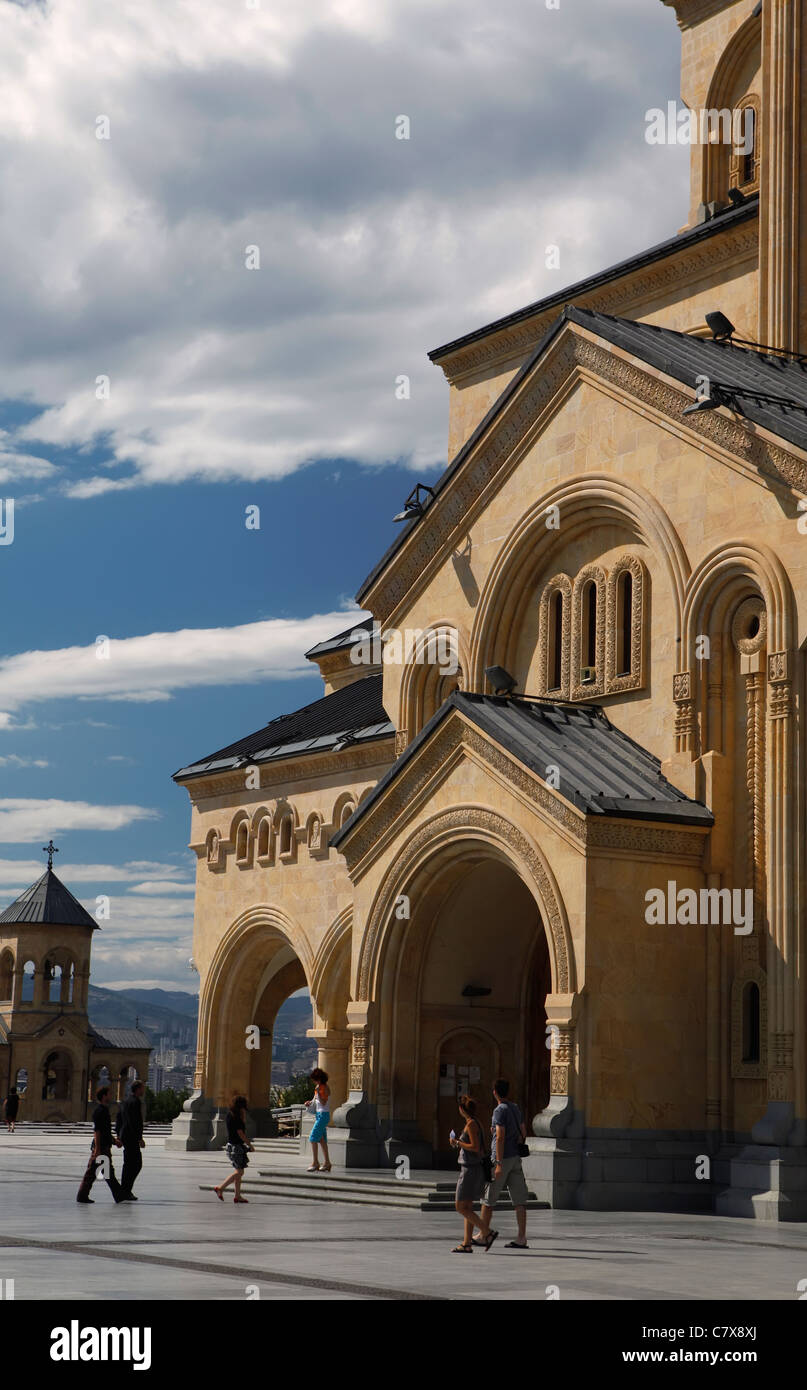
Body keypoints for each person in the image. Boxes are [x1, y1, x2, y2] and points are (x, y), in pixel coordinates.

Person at [475, 1078, 529, 1251]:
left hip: (502, 1158)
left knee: (488, 1199)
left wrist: (497, 1162)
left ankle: (483, 1235)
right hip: (515, 1158)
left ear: (495, 1092)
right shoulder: (515, 1108)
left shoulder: (499, 1110)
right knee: (519, 1200)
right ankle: (521, 1238)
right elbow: (523, 1132)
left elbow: (500, 1135)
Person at [449, 1095, 487, 1253]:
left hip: (470, 1170)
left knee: (460, 1206)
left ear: (461, 1109)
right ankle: (466, 1243)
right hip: (474, 1168)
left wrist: (457, 1142)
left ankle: (487, 1232)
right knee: (468, 1206)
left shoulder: (471, 1124)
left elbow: (475, 1147)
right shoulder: (477, 1123)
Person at [76, 1086, 124, 1204]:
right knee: (95, 1172)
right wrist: (97, 1149)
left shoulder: (104, 1110)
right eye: (109, 1094)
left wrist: (114, 1141)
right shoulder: (100, 1111)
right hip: (101, 1148)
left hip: (104, 1147)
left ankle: (119, 1195)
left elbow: (105, 1131)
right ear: (104, 1096)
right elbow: (97, 1131)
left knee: (104, 1173)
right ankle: (82, 1196)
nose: (111, 1096)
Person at [213, 1095, 253, 1204]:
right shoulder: (237, 1117)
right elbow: (241, 1133)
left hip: (231, 1145)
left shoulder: (230, 1115)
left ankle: (237, 1196)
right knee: (239, 1172)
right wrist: (250, 1145)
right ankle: (221, 1187)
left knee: (238, 1172)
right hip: (237, 1147)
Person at [116, 1079, 146, 1200]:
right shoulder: (135, 1102)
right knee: (136, 1164)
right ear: (138, 1089)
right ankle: (126, 1190)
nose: (144, 1090)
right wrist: (140, 1138)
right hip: (132, 1137)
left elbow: (119, 1118)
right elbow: (136, 1121)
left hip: (125, 1136)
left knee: (128, 1164)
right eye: (142, 1088)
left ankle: (125, 1189)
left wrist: (119, 1134)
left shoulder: (125, 1101)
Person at [305, 1067, 331, 1173]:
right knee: (322, 1140)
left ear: (319, 1079)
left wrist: (319, 1094)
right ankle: (327, 1162)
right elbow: (315, 1102)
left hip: (323, 1115)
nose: (313, 1082)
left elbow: (324, 1102)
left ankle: (315, 1162)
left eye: (314, 1079)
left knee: (312, 1138)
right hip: (319, 1114)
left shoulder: (324, 1088)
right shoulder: (318, 1087)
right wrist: (309, 1103)